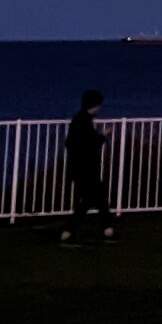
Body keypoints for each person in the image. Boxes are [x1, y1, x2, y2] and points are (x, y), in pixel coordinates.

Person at [63, 90, 114, 243]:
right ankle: (70, 231)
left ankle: (107, 229)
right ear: (94, 105)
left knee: (96, 199)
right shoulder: (84, 121)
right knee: (90, 200)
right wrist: (103, 135)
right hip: (86, 169)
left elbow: (71, 142)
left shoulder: (79, 119)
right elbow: (90, 143)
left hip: (79, 168)